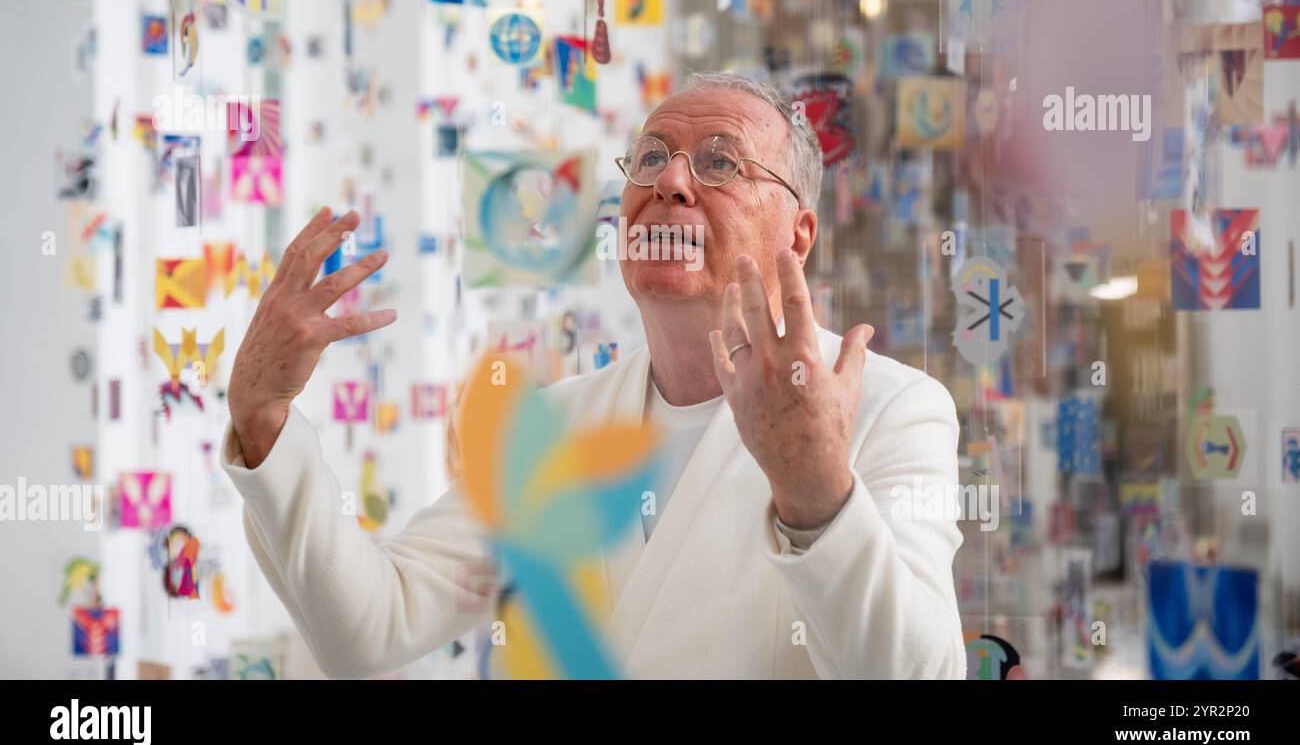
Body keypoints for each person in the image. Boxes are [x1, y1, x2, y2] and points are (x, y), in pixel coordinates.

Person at [223, 72, 966, 679]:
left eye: (720, 162)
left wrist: (817, 495)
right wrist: (263, 418)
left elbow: (917, 673)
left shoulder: (892, 410)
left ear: (798, 234)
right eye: (650, 157)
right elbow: (371, 624)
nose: (672, 180)